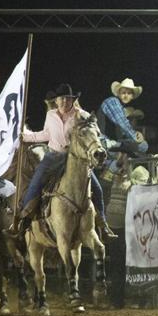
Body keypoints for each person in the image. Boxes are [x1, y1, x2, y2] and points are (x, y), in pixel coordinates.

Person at [16, 84, 115, 238]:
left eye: (68, 99)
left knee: (97, 189)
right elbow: (46, 134)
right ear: (56, 101)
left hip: (75, 159)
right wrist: (26, 137)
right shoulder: (51, 115)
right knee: (35, 184)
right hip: (53, 156)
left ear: (72, 100)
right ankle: (24, 220)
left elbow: (95, 133)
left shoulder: (81, 115)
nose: (64, 102)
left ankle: (103, 223)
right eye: (61, 99)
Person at [96, 78, 149, 158]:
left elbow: (123, 130)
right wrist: (136, 138)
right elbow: (123, 124)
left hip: (113, 141)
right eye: (123, 92)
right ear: (118, 93)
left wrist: (136, 136)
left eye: (129, 93)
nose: (126, 95)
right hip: (102, 141)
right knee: (142, 146)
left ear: (132, 96)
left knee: (142, 147)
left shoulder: (120, 107)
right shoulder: (113, 101)